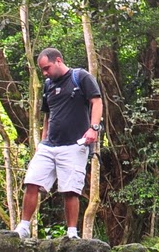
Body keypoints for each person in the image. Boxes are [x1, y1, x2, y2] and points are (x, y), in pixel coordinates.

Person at [13, 48, 103, 239]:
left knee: (70, 189)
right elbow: (48, 115)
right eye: (42, 70)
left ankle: (72, 232)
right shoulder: (47, 85)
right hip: (50, 144)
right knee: (32, 181)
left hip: (74, 144)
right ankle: (23, 226)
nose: (45, 73)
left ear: (58, 61)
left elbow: (96, 102)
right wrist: (43, 139)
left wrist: (93, 128)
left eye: (47, 68)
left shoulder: (80, 77)